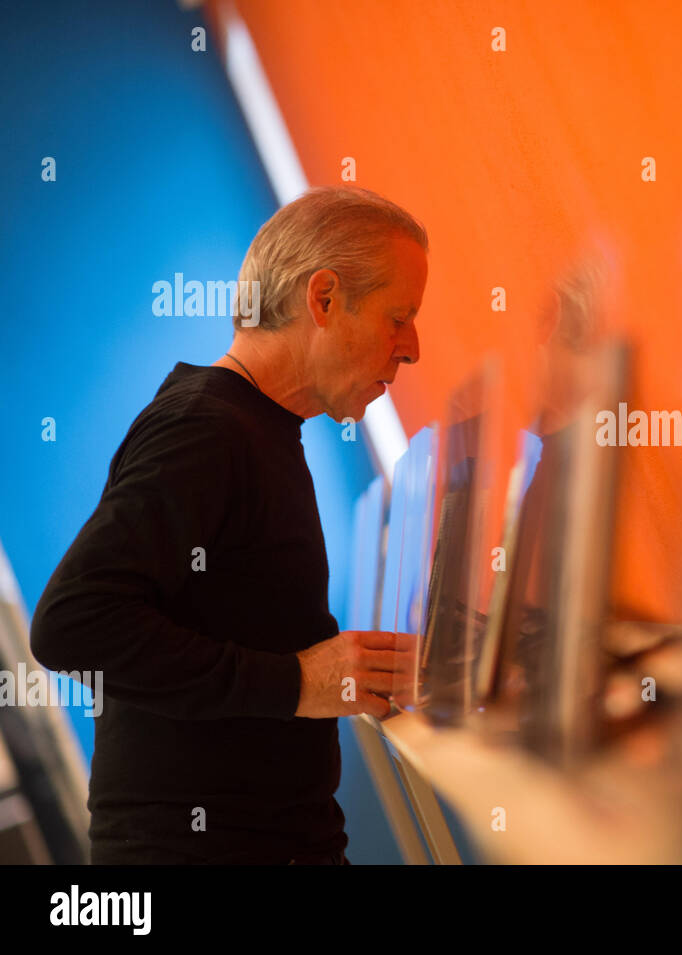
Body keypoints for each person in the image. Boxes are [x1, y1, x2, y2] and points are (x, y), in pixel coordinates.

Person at [29, 186, 427, 864]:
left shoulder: (259, 428)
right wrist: (298, 682)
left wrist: (347, 668)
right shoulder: (205, 429)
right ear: (323, 298)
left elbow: (236, 618)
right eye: (399, 317)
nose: (412, 347)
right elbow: (71, 623)